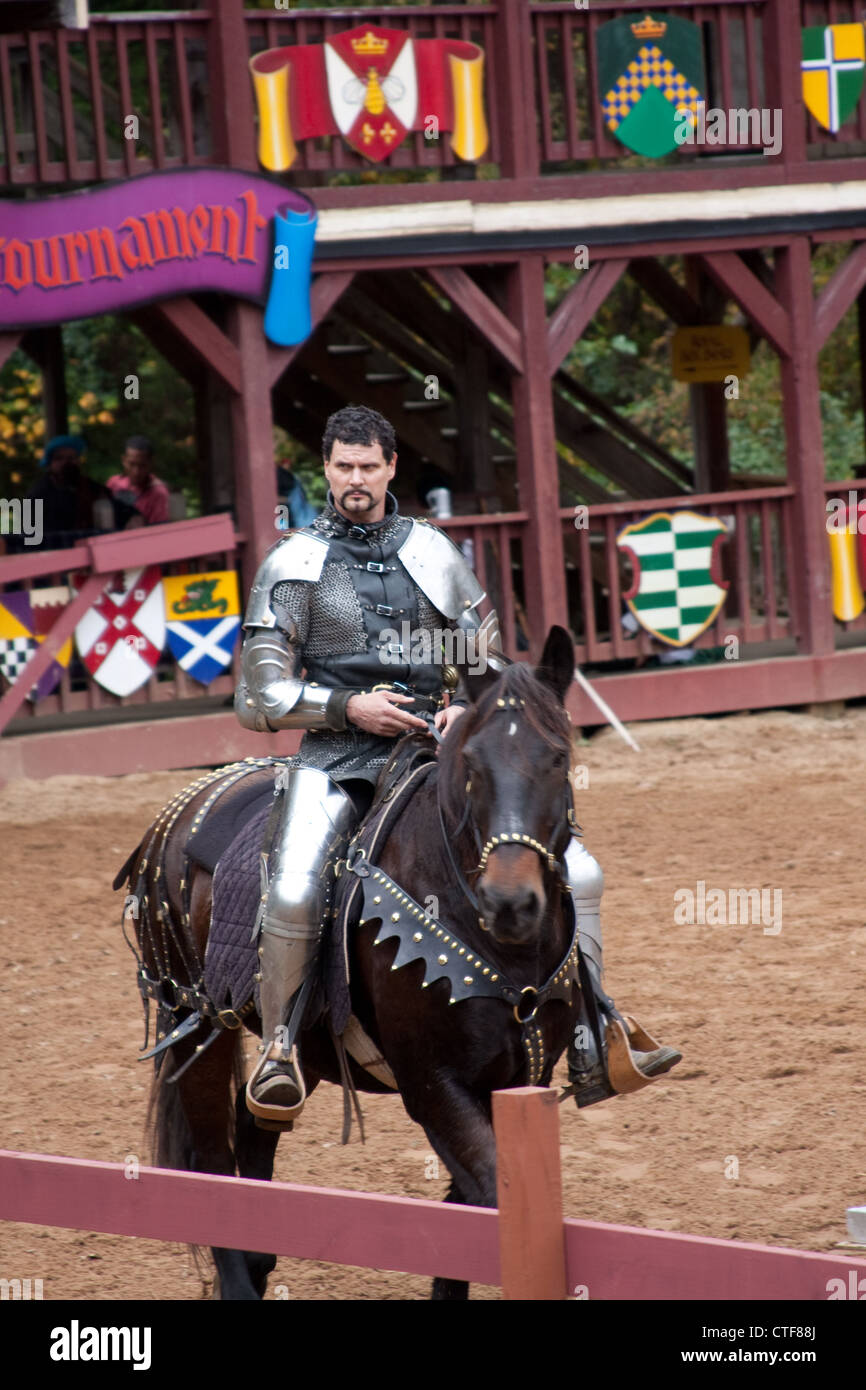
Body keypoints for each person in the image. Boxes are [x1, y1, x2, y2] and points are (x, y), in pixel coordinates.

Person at [236, 404, 679, 1125]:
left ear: (390, 469)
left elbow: (490, 663)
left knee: (582, 869)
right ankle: (282, 1046)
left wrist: (463, 710)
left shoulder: (434, 553)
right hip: (339, 753)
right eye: (342, 466)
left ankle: (597, 1029)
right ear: (325, 469)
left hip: (442, 748)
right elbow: (258, 693)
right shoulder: (292, 563)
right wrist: (348, 707)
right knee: (292, 890)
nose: (355, 479)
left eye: (368, 466)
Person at [26, 434, 139, 546]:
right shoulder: (37, 495)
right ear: (50, 463)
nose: (66, 462)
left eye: (71, 458)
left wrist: (134, 516)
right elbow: (30, 538)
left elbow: (120, 509)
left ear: (78, 461)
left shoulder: (93, 489)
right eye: (59, 458)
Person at [106, 436, 169, 525]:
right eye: (131, 464)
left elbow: (162, 530)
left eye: (142, 465)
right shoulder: (114, 483)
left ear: (150, 463)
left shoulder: (159, 493)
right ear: (124, 460)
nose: (136, 472)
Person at [276, 459, 317, 529]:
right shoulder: (283, 474)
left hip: (288, 506)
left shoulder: (286, 474)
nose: (288, 466)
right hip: (288, 505)